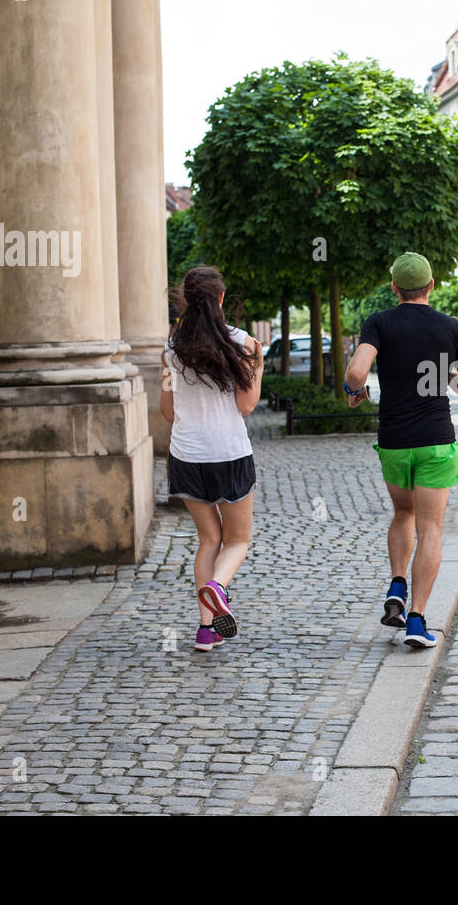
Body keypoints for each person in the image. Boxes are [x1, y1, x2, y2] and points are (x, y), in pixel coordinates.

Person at [345, 252, 458, 650]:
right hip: (436, 441)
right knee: (432, 529)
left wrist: (356, 391)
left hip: (393, 441)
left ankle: (396, 583)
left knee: (402, 513)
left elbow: (356, 372)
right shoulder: (451, 327)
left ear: (394, 288)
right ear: (432, 286)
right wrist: (448, 376)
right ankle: (418, 620)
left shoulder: (379, 322)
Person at [160, 266, 263, 652]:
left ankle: (207, 631)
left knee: (208, 540)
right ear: (221, 299)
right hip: (229, 453)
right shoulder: (245, 345)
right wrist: (260, 367)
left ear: (185, 302)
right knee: (237, 541)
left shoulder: (171, 350)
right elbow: (246, 405)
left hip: (186, 455)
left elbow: (168, 413)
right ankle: (217, 589)